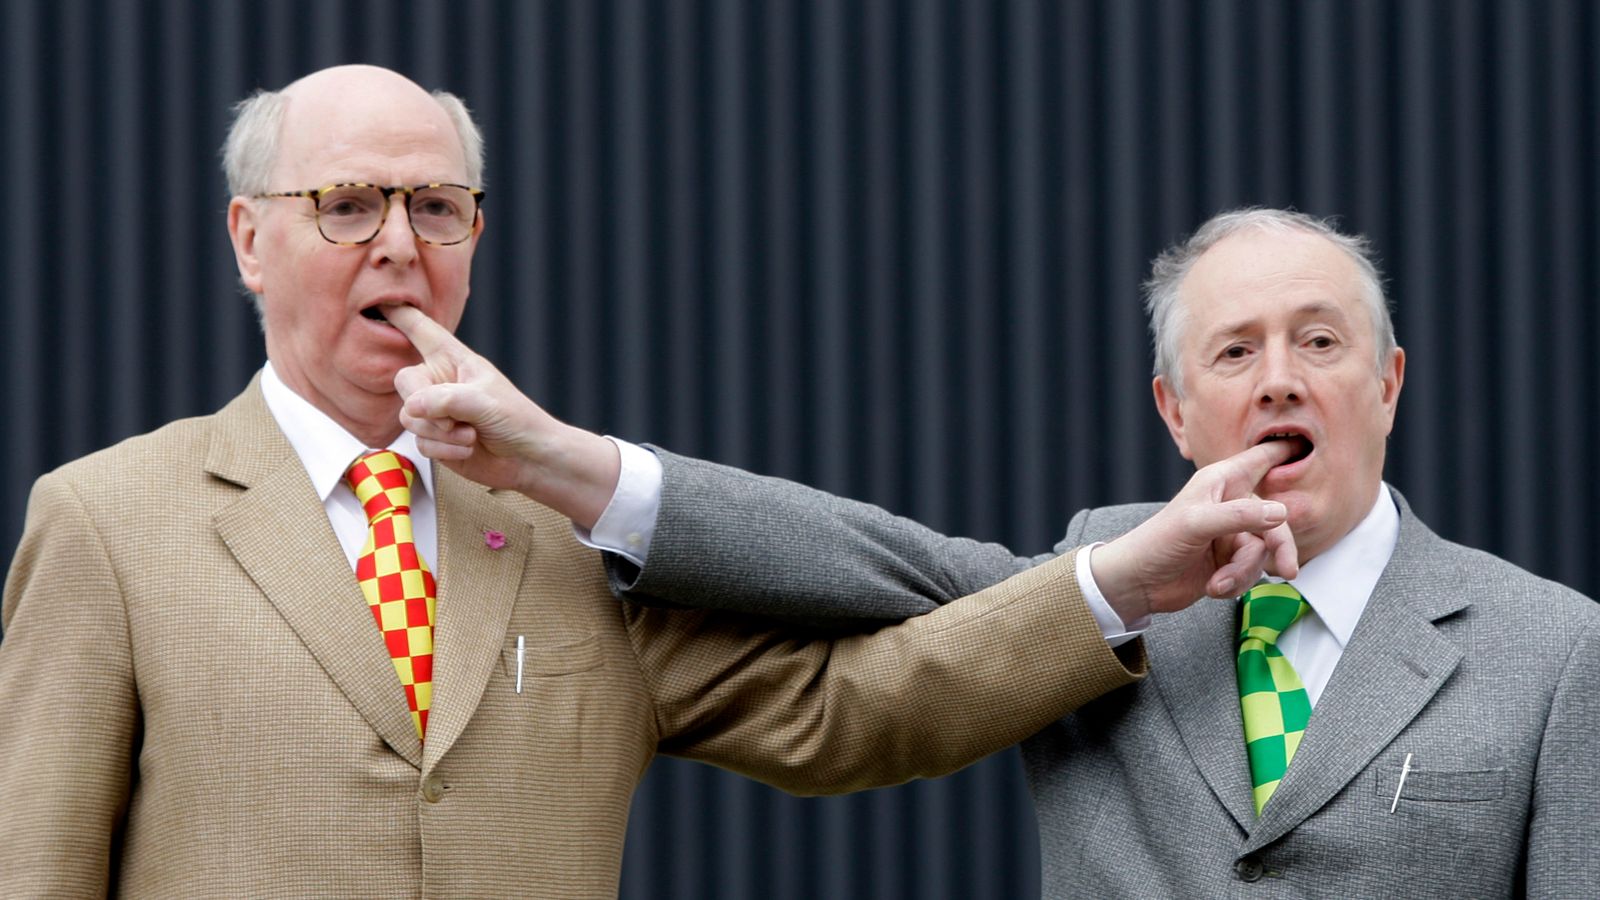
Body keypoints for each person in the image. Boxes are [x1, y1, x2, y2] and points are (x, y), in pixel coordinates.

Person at [0, 66, 1297, 898]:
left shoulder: (562, 532)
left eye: (436, 207)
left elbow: (857, 709)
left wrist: (1120, 583)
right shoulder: (113, 523)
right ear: (250, 238)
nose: (397, 242)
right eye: (346, 205)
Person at [398, 208, 1600, 897]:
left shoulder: (1552, 650)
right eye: (1234, 353)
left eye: (1319, 341)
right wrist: (562, 462)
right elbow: (879, 565)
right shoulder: (1113, 570)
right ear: (1175, 416)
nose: (1279, 376)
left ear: (1386, 385)